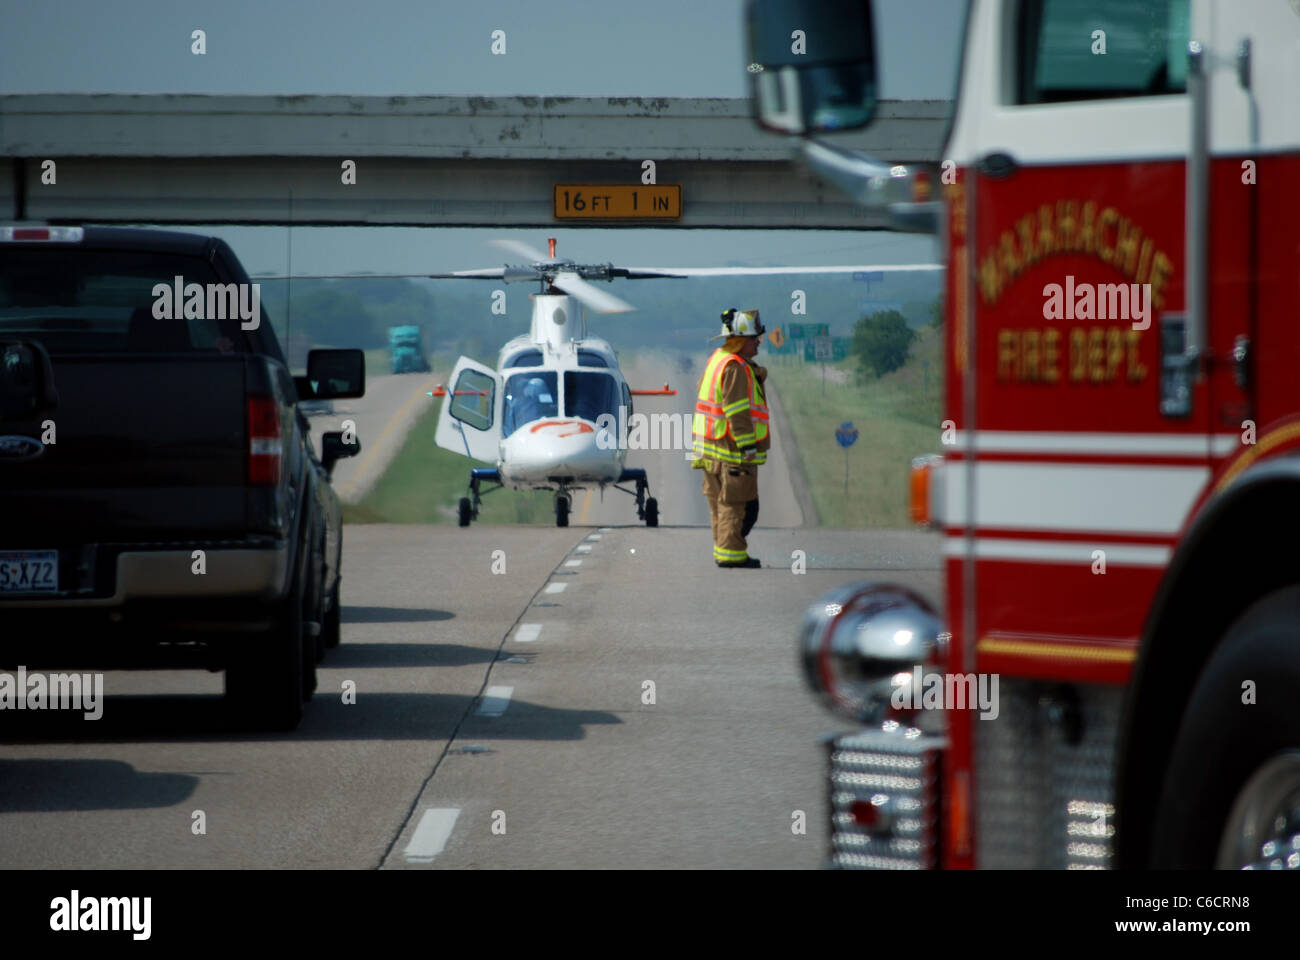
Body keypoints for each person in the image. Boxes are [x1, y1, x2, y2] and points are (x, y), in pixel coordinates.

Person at [691, 308, 771, 568]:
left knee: (719, 504)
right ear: (740, 340)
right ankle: (732, 554)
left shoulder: (718, 359)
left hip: (710, 448)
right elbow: (736, 410)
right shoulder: (735, 367)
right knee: (734, 505)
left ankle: (723, 550)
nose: (758, 342)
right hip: (732, 451)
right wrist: (747, 445)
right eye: (754, 338)